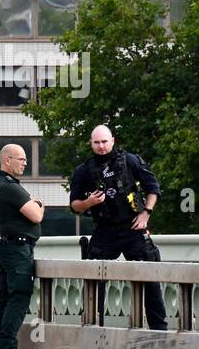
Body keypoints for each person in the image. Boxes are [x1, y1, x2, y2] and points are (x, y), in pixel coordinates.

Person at [68, 125, 167, 330]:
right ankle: (94, 327)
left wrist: (146, 213)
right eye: (97, 142)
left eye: (104, 142)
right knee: (94, 278)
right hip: (105, 230)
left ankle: (159, 329)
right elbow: (74, 206)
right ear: (91, 144)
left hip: (132, 227)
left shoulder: (130, 160)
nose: (101, 146)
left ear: (112, 140)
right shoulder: (83, 170)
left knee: (150, 276)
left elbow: (153, 187)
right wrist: (89, 203)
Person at [0, 144, 45, 349]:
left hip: (5, 247)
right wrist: (38, 203)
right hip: (17, 250)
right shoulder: (9, 187)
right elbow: (36, 215)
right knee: (18, 298)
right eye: (21, 159)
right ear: (7, 160)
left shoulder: (1, 185)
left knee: (4, 299)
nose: (25, 163)